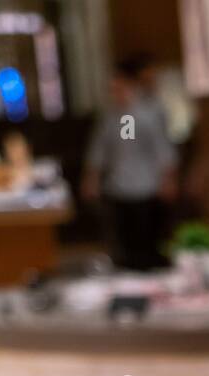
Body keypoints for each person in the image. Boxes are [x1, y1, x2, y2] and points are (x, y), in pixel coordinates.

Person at [82, 56, 178, 272]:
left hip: (147, 186)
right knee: (124, 239)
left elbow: (163, 149)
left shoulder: (150, 113)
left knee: (149, 238)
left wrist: (168, 179)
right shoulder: (109, 116)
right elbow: (99, 150)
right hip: (119, 186)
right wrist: (92, 178)